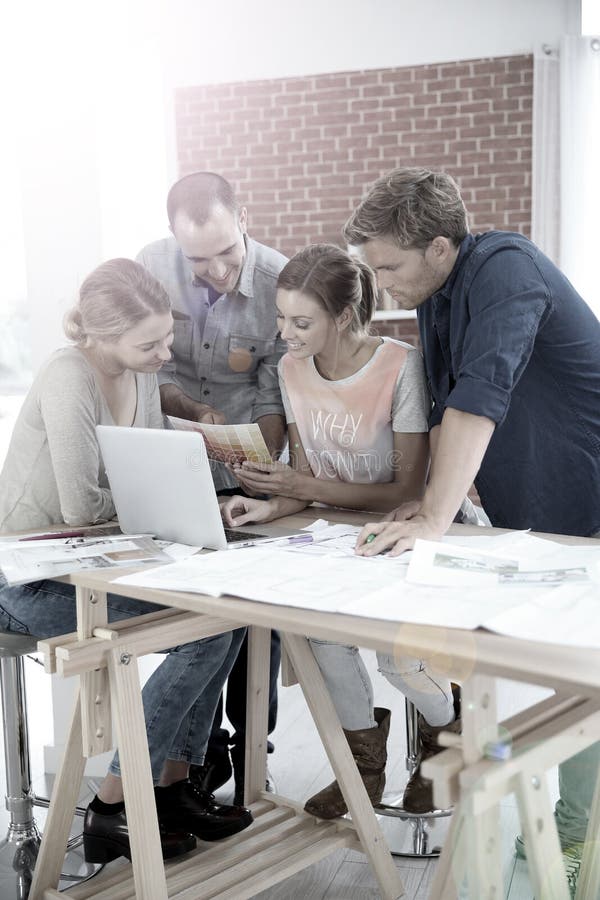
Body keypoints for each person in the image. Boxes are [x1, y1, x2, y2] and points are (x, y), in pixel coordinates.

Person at [343, 166, 600, 894]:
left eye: (389, 265)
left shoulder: (506, 270)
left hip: (589, 501)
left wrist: (432, 517)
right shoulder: (435, 292)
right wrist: (430, 503)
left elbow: (481, 397)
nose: (382, 282)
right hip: (537, 513)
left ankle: (577, 848)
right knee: (525, 680)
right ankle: (529, 833)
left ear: (442, 247)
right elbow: (445, 406)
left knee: (584, 685)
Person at [0, 258, 252, 864]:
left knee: (227, 614)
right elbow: (81, 503)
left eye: (167, 337)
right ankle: (113, 806)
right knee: (203, 629)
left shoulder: (136, 374)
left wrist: (207, 470)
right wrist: (169, 502)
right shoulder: (69, 375)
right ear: (100, 336)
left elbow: (135, 463)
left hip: (92, 564)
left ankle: (170, 786)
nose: (165, 354)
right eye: (151, 343)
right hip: (28, 579)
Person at [220, 243, 461, 818]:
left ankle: (446, 736)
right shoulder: (289, 369)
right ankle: (363, 772)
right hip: (332, 536)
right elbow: (308, 477)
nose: (285, 334)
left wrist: (299, 491)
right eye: (281, 318)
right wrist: (270, 504)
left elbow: (408, 491)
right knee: (324, 644)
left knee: (397, 660)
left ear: (344, 317)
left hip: (401, 530)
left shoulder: (400, 366)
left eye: (300, 322)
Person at [137, 172, 288, 804]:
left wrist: (259, 463)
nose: (218, 271)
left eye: (227, 252)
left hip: (249, 462)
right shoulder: (150, 266)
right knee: (196, 617)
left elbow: (280, 388)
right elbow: (154, 369)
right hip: (176, 460)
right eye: (199, 259)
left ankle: (256, 747)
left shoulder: (281, 279)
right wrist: (193, 415)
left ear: (243, 217)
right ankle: (195, 759)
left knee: (260, 624)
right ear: (175, 240)